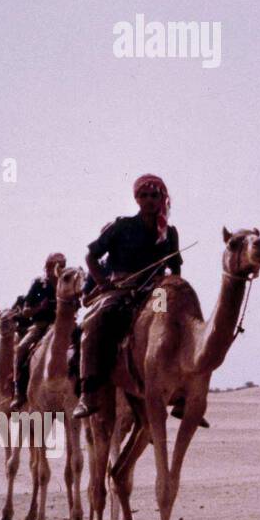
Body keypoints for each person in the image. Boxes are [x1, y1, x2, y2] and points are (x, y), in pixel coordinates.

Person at [71, 175, 182, 419]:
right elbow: (91, 256)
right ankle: (88, 392)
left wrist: (173, 287)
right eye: (144, 196)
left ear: (162, 198)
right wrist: (103, 282)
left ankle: (183, 389)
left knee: (174, 318)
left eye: (154, 195)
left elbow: (175, 267)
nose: (149, 200)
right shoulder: (121, 226)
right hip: (122, 288)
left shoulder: (169, 233)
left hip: (158, 290)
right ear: (136, 198)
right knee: (95, 321)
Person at [10, 252, 66, 411]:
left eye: (60, 265)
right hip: (40, 326)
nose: (56, 269)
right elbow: (25, 311)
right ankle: (18, 391)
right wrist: (39, 308)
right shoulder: (38, 284)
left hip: (62, 325)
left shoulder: (67, 281)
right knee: (21, 349)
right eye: (53, 265)